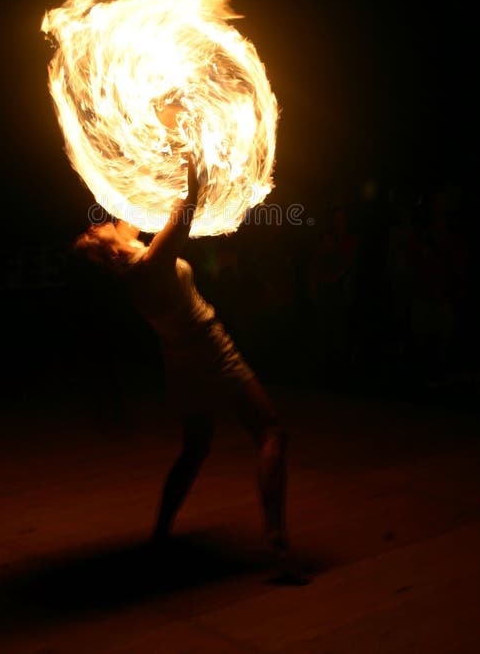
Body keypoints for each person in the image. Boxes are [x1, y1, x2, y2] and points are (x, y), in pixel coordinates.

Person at [73, 155, 309, 584]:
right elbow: (187, 208)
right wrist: (194, 158)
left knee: (195, 449)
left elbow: (152, 213)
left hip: (179, 362)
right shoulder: (150, 264)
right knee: (272, 431)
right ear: (109, 249)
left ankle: (160, 536)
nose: (100, 221)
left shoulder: (138, 270)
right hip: (208, 349)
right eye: (96, 229)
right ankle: (277, 543)